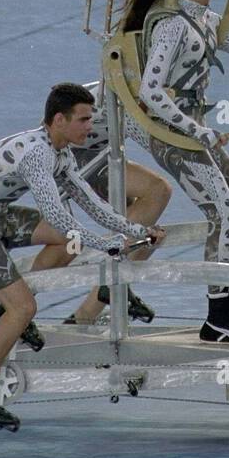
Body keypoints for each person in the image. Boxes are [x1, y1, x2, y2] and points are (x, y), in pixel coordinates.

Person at [0, 82, 165, 434]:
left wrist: (136, 232)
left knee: (62, 243)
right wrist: (103, 245)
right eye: (83, 120)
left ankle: (7, 310)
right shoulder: (37, 154)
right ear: (59, 120)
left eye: (91, 119)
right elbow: (57, 214)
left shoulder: (60, 152)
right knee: (24, 308)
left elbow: (93, 204)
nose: (90, 127)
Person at [120, 0, 229, 345]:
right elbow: (151, 92)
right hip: (169, 130)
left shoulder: (203, 20)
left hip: (194, 128)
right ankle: (218, 318)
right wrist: (200, 131)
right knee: (225, 211)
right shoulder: (171, 25)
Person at [53, 84, 172, 326]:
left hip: (99, 154)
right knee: (158, 191)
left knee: (147, 230)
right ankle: (111, 280)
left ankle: (87, 314)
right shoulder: (127, 98)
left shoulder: (134, 88)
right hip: (76, 160)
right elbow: (166, 148)